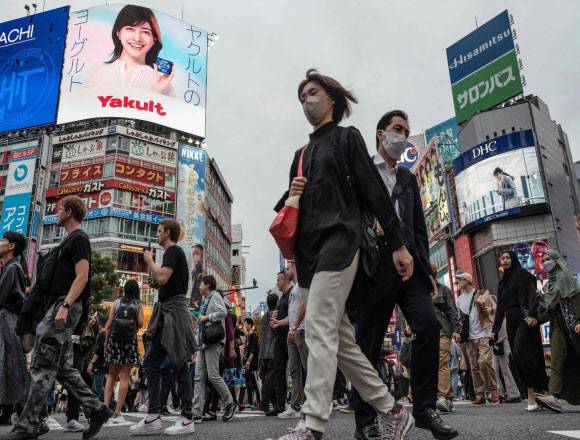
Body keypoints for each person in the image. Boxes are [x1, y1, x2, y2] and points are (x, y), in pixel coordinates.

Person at [273, 70, 415, 440]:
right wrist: (293, 189)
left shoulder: (347, 138)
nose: (307, 100)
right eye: (301, 96)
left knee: (318, 326)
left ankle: (314, 422)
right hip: (309, 254)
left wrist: (398, 242)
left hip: (342, 239)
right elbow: (288, 208)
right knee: (339, 338)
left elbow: (372, 190)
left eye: (313, 92)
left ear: (332, 99)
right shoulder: (300, 155)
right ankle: (392, 410)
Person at [352, 111, 457, 440]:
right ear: (380, 133)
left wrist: (426, 274)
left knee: (428, 326)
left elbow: (420, 231)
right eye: (398, 129)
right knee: (368, 342)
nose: (403, 135)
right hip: (376, 265)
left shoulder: (409, 180)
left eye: (407, 131)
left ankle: (425, 408)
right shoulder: (362, 173)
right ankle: (365, 420)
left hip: (410, 266)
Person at [9, 195, 109, 440]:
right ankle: (97, 409)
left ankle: (29, 424)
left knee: (42, 365)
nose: (56, 213)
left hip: (63, 306)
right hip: (59, 305)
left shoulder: (79, 239)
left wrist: (65, 304)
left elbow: (82, 276)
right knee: (63, 369)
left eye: (59, 208)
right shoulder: (67, 241)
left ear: (70, 212)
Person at [130, 219, 197, 436]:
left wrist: (149, 260)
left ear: (167, 233)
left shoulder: (173, 250)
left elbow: (162, 276)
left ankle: (187, 417)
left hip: (173, 313)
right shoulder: (172, 253)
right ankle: (153, 416)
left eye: (159, 231)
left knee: (179, 363)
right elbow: (161, 281)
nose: (156, 235)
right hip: (166, 313)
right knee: (150, 362)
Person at [491, 250, 549, 411]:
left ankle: (541, 391)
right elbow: (500, 309)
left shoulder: (523, 274)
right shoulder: (502, 283)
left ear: (514, 259)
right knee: (517, 356)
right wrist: (495, 330)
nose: (505, 260)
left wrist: (532, 314)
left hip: (525, 318)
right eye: (502, 258)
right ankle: (532, 394)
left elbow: (533, 294)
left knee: (525, 352)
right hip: (511, 320)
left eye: (508, 257)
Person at [85, 5, 175, 96]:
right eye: (130, 29)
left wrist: (156, 93)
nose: (137, 38)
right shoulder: (97, 72)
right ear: (118, 32)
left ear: (154, 39)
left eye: (145, 32)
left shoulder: (163, 84)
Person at [534, 250, 580, 412]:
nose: (546, 262)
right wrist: (536, 319)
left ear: (557, 261)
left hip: (575, 326)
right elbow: (548, 310)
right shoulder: (549, 287)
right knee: (556, 360)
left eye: (549, 259)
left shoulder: (570, 280)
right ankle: (553, 397)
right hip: (559, 327)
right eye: (544, 259)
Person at [191, 275, 237, 423]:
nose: (199, 286)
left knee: (212, 375)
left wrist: (207, 317)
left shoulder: (215, 295)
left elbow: (223, 312)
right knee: (198, 377)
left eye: (201, 284)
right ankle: (196, 412)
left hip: (213, 342)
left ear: (208, 285)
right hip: (203, 343)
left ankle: (230, 402)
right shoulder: (204, 300)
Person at [456, 271, 499, 407]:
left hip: (484, 333)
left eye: (461, 279)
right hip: (469, 337)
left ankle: (493, 391)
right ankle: (480, 395)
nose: (458, 282)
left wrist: (486, 309)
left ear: (468, 281)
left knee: (485, 362)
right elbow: (459, 318)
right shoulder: (459, 299)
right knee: (474, 367)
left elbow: (494, 309)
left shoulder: (481, 293)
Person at [103, 279, 144, 424]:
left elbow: (108, 324)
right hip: (129, 342)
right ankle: (117, 412)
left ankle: (104, 408)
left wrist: (106, 343)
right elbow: (140, 323)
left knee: (111, 376)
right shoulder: (138, 304)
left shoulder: (116, 302)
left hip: (115, 341)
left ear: (124, 290)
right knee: (125, 377)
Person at [0, 232, 30, 426]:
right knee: (10, 364)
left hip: (7, 320)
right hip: (10, 320)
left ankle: (14, 409)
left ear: (11, 246)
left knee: (8, 364)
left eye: (2, 240)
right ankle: (10, 409)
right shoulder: (12, 267)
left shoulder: (12, 268)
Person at [279, 260, 308, 419]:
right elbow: (291, 314)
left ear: (295, 267)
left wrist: (295, 327)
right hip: (292, 331)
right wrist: (281, 323)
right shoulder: (294, 288)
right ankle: (295, 406)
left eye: (288, 268)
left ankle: (313, 403)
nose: (286, 271)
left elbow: (304, 305)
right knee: (294, 370)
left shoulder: (301, 284)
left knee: (307, 367)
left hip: (300, 330)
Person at [431, 264, 461, 415]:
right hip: (427, 333)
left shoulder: (443, 290)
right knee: (432, 364)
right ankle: (442, 397)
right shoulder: (419, 291)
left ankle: (444, 397)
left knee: (441, 362)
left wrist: (456, 330)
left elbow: (452, 310)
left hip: (443, 331)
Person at [268, 271, 292, 416]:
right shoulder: (282, 296)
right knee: (279, 370)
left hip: (290, 335)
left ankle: (300, 401)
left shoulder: (292, 293)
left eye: (278, 280)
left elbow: (294, 313)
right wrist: (276, 316)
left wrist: (279, 320)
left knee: (297, 369)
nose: (277, 282)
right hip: (280, 337)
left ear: (285, 280)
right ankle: (280, 403)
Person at [491, 319, 521, 404]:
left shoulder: (499, 316)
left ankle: (514, 394)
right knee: (494, 368)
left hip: (502, 343)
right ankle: (500, 393)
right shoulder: (493, 316)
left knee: (505, 369)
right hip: (495, 344)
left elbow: (503, 332)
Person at [259, 293, 279, 413]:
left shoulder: (264, 316)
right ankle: (264, 402)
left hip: (264, 352)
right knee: (271, 378)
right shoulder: (275, 315)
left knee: (267, 378)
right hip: (273, 350)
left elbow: (262, 334)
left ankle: (274, 402)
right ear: (276, 303)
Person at [87, 316, 108, 401]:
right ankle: (96, 406)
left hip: (99, 365)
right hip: (101, 364)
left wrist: (91, 363)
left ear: (100, 325)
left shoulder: (103, 334)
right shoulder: (103, 334)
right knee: (94, 389)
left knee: (98, 388)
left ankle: (111, 403)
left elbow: (98, 351)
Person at [242, 318, 260, 409]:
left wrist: (249, 361)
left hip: (252, 363)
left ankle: (259, 401)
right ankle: (250, 401)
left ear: (250, 325)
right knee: (248, 383)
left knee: (255, 382)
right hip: (246, 362)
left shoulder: (254, 336)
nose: (245, 326)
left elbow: (253, 350)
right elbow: (246, 350)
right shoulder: (247, 337)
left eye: (246, 324)